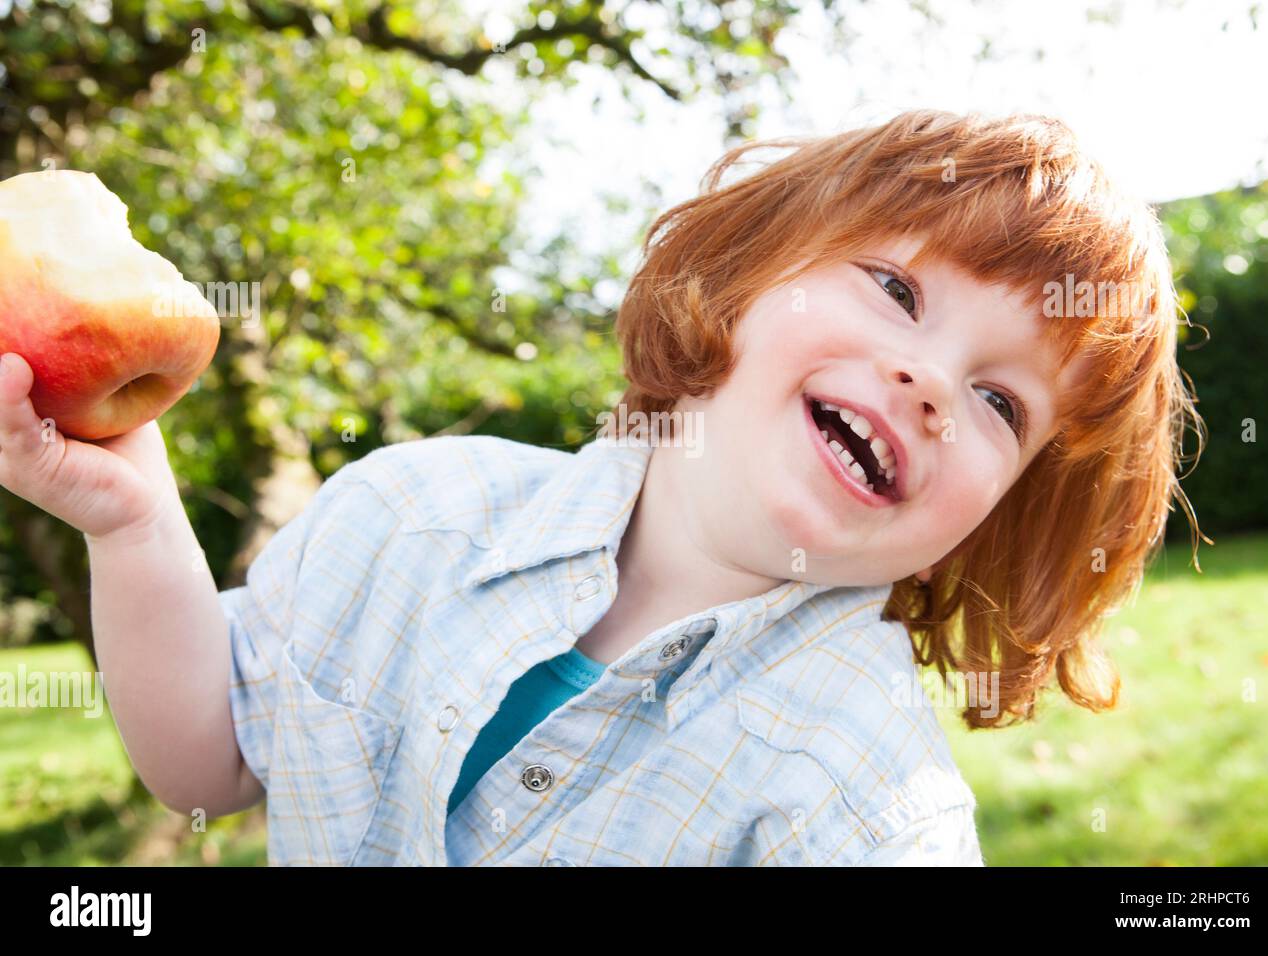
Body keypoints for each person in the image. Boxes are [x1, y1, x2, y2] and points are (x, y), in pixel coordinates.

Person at [0, 109, 1203, 865]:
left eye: (1000, 403)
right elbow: (206, 764)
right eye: (895, 291)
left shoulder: (862, 804)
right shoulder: (408, 511)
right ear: (740, 280)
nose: (928, 379)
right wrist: (133, 514)